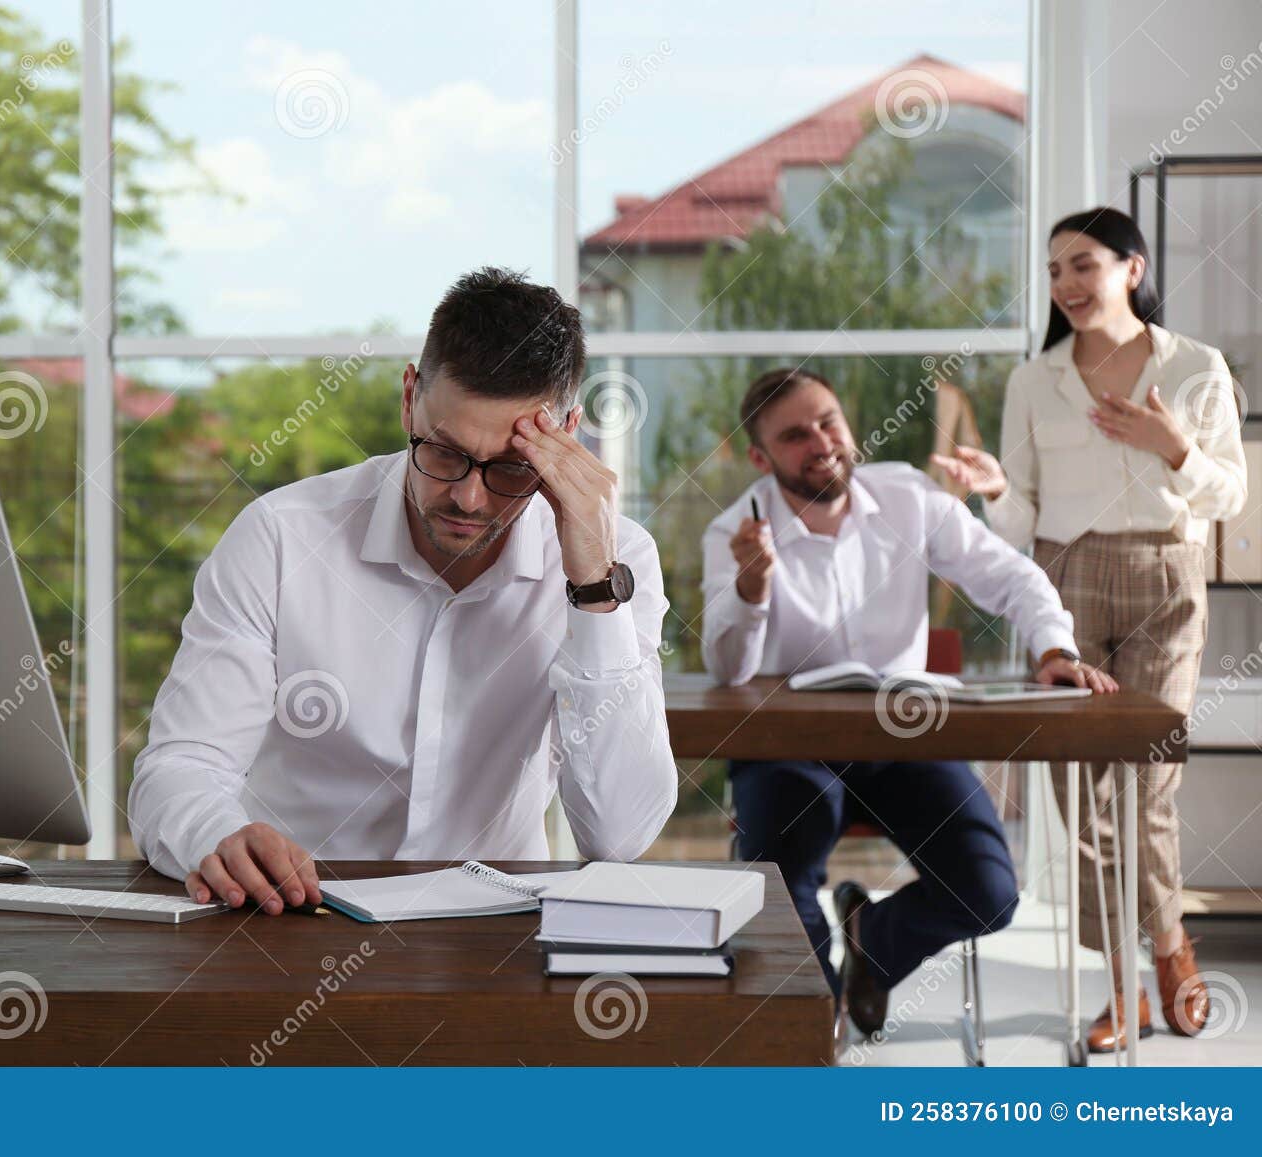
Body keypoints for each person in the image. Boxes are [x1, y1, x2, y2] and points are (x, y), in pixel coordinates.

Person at [129, 267, 677, 912]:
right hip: (293, 916)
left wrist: (593, 591)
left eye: (511, 467)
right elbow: (181, 765)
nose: (468, 499)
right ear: (410, 397)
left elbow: (619, 836)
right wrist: (216, 836)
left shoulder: (615, 560)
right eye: (444, 453)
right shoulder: (280, 536)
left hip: (493, 928)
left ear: (568, 434)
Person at [701, 366, 1118, 1037]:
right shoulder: (735, 533)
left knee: (988, 892)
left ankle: (873, 938)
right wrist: (752, 590)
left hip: (906, 739)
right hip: (789, 751)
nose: (822, 443)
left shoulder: (908, 497)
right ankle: (813, 1025)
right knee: (779, 882)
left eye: (828, 422)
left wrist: (1054, 650)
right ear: (760, 457)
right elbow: (727, 669)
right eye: (795, 435)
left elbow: (1011, 576)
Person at [933, 207, 1246, 1052]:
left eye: (1083, 265)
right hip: (1065, 580)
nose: (1066, 284)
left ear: (1131, 268)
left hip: (1166, 579)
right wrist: (996, 488)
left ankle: (1170, 946)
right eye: (1054, 271)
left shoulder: (1196, 367)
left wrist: (1174, 446)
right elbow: (1022, 520)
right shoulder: (1035, 381)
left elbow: (1230, 495)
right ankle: (1120, 985)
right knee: (1081, 794)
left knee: (1149, 784)